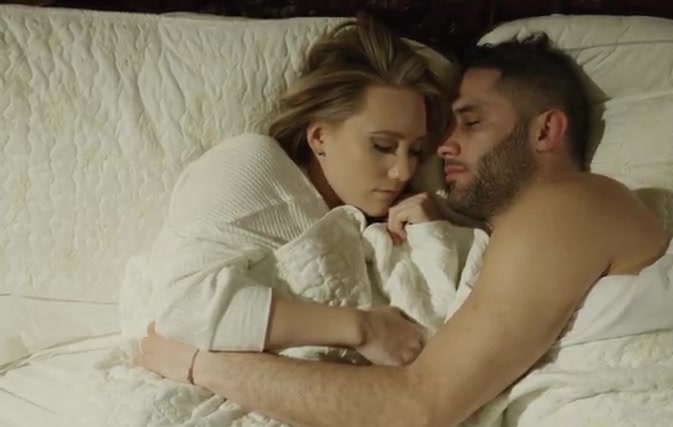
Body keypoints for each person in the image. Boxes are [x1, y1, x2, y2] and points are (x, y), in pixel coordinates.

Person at [136, 33, 672, 427]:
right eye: (388, 146)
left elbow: (417, 409)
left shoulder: (566, 207)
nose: (439, 151)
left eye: (470, 122)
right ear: (319, 135)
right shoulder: (499, 228)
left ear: (546, 131)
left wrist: (199, 363)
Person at [128, 14, 454, 371]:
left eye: (416, 151)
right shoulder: (256, 163)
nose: (404, 170)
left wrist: (432, 234)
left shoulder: (384, 226)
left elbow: (431, 333)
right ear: (320, 137)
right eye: (382, 146)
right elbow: (182, 308)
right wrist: (360, 328)